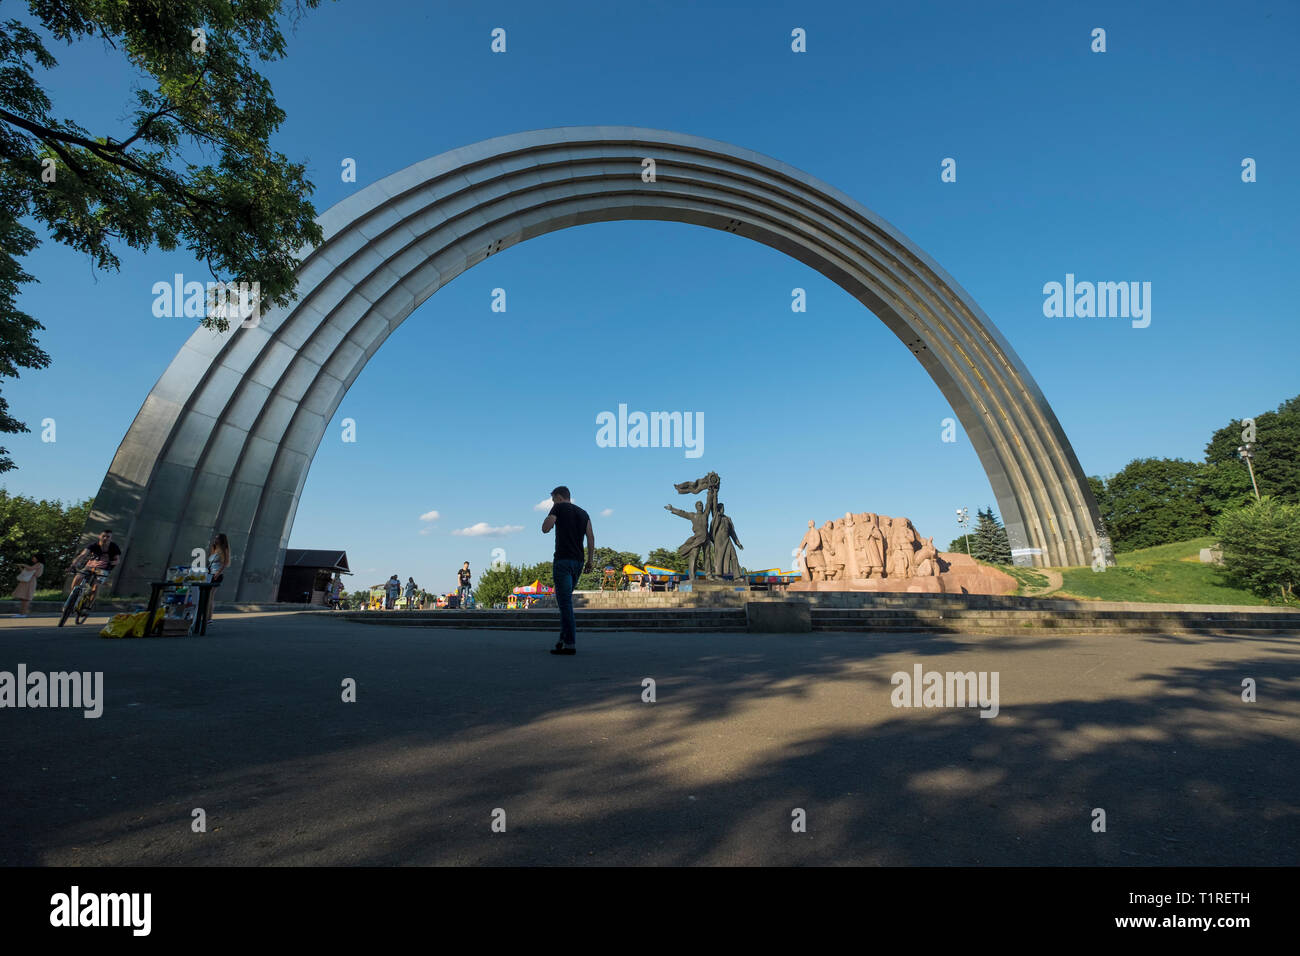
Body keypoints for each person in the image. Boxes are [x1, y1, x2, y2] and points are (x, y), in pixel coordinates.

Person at [541, 485, 594, 655]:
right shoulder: (583, 513)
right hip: (578, 562)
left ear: (558, 497)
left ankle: (570, 643)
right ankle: (562, 639)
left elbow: (545, 528)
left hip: (563, 560)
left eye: (553, 499)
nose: (552, 502)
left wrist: (550, 515)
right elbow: (591, 537)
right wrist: (590, 560)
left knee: (565, 604)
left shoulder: (558, 507)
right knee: (565, 601)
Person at [67, 529, 122, 601]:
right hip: (90, 566)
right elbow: (82, 555)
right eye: (103, 536)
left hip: (103, 569)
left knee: (95, 587)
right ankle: (72, 598)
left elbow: (117, 561)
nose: (105, 538)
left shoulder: (114, 547)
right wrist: (73, 565)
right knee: (78, 578)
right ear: (100, 536)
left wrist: (110, 563)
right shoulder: (93, 545)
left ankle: (87, 606)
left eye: (108, 537)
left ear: (111, 538)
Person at [205, 533, 230, 627]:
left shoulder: (224, 550)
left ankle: (209, 618)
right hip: (209, 574)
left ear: (221, 540)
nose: (215, 540)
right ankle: (205, 616)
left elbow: (225, 563)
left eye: (217, 538)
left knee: (210, 596)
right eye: (215, 538)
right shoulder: (214, 549)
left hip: (216, 575)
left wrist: (218, 573)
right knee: (207, 597)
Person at [9, 552, 44, 617]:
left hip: (31, 582)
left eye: (34, 557)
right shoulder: (35, 565)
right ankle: (22, 613)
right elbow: (25, 572)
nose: (33, 558)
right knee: (23, 598)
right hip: (27, 581)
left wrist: (23, 564)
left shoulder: (40, 564)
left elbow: (30, 569)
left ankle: (23, 613)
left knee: (26, 598)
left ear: (38, 558)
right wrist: (20, 567)